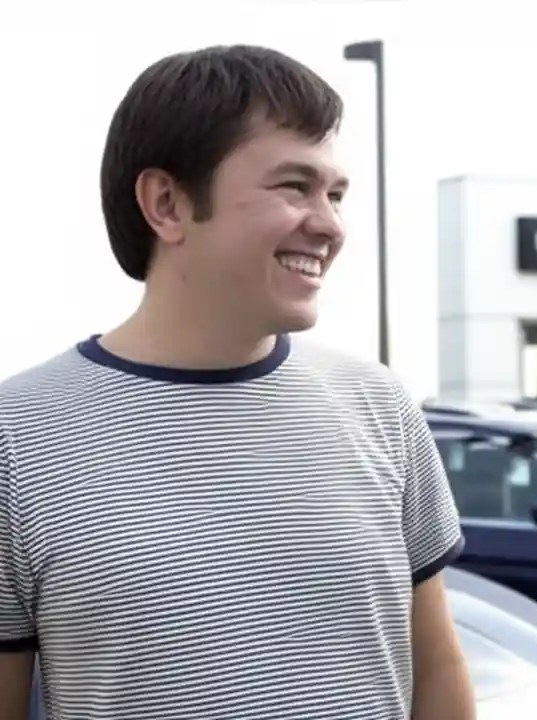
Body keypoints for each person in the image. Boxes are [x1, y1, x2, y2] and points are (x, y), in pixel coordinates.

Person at [0, 46, 476, 719]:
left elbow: (437, 669)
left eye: (335, 194)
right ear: (166, 203)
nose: (331, 225)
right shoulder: (16, 436)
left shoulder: (378, 404)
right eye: (294, 186)